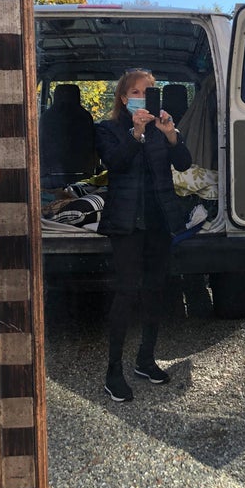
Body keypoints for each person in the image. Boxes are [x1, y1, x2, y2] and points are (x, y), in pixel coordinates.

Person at [95, 69, 192, 402]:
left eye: (149, 90)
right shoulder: (108, 129)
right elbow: (115, 162)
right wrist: (135, 133)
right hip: (126, 223)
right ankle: (113, 372)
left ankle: (145, 359)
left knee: (155, 291)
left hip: (158, 223)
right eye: (135, 91)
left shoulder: (162, 128)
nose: (142, 95)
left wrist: (171, 135)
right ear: (124, 98)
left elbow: (184, 163)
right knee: (125, 293)